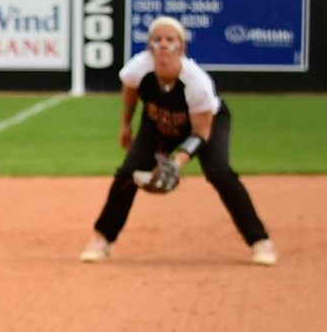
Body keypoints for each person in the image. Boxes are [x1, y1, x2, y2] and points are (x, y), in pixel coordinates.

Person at [80, 16, 277, 266]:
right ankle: (102, 239)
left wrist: (176, 162)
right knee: (128, 174)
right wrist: (126, 124)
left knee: (219, 173)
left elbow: (202, 132)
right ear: (149, 47)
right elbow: (130, 92)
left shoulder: (197, 83)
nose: (163, 45)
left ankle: (260, 241)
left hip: (205, 124)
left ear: (182, 48)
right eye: (157, 40)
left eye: (170, 40)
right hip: (157, 121)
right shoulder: (137, 69)